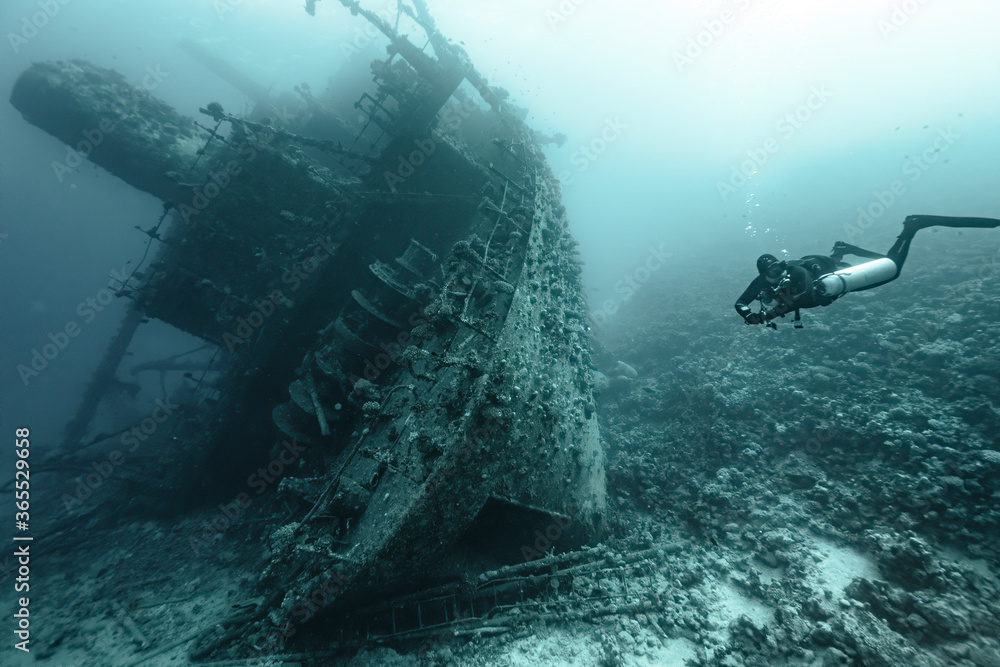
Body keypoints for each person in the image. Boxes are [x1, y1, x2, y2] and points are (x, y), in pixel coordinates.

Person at [735, 215, 1000, 327]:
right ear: (763, 273)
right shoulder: (760, 283)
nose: (779, 272)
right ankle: (841, 248)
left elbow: (805, 289)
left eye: (779, 266)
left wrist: (775, 311)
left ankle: (913, 227)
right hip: (824, 268)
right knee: (834, 259)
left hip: (821, 271)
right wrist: (748, 315)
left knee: (891, 271)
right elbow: (740, 302)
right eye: (772, 270)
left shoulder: (794, 270)